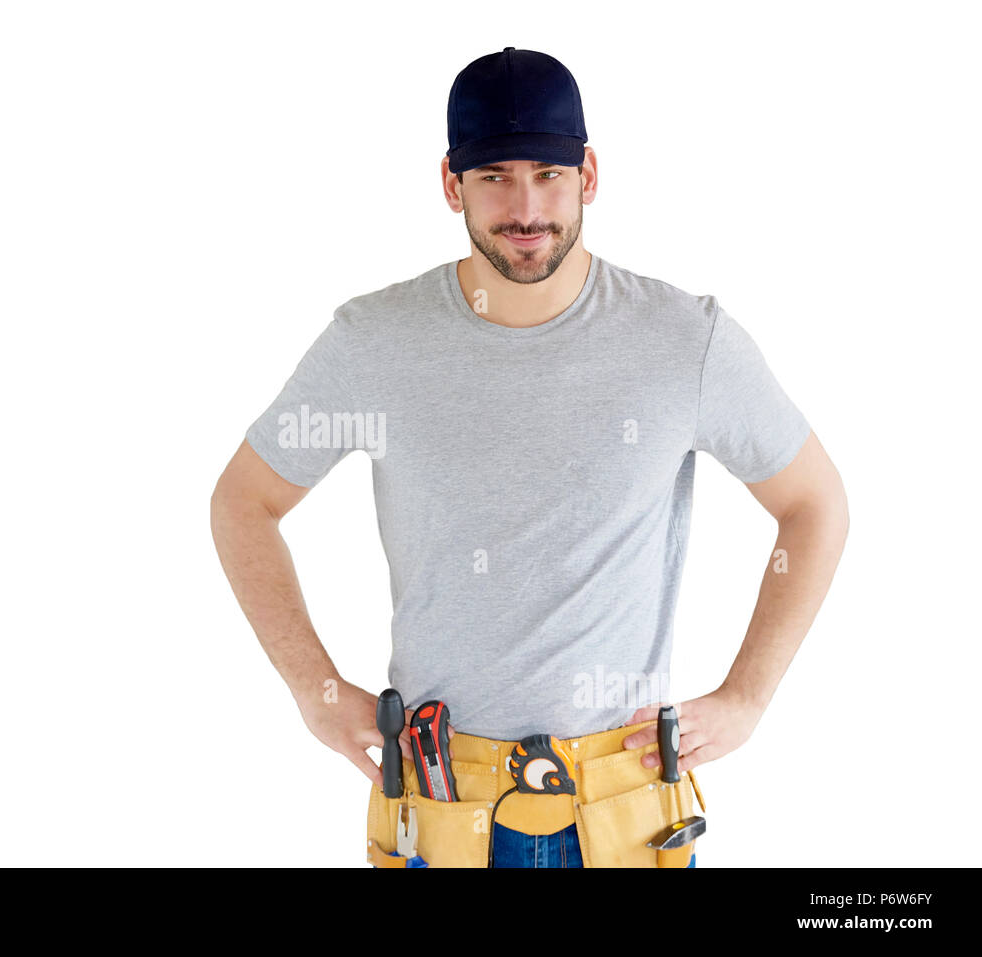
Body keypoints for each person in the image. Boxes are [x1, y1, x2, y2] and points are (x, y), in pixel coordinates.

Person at [210, 47, 848, 867]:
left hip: (627, 810)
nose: (525, 206)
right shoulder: (375, 344)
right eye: (495, 176)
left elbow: (816, 503)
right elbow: (242, 502)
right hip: (443, 813)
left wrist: (748, 696)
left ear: (588, 173)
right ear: (451, 184)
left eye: (548, 173)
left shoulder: (684, 341)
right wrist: (314, 688)